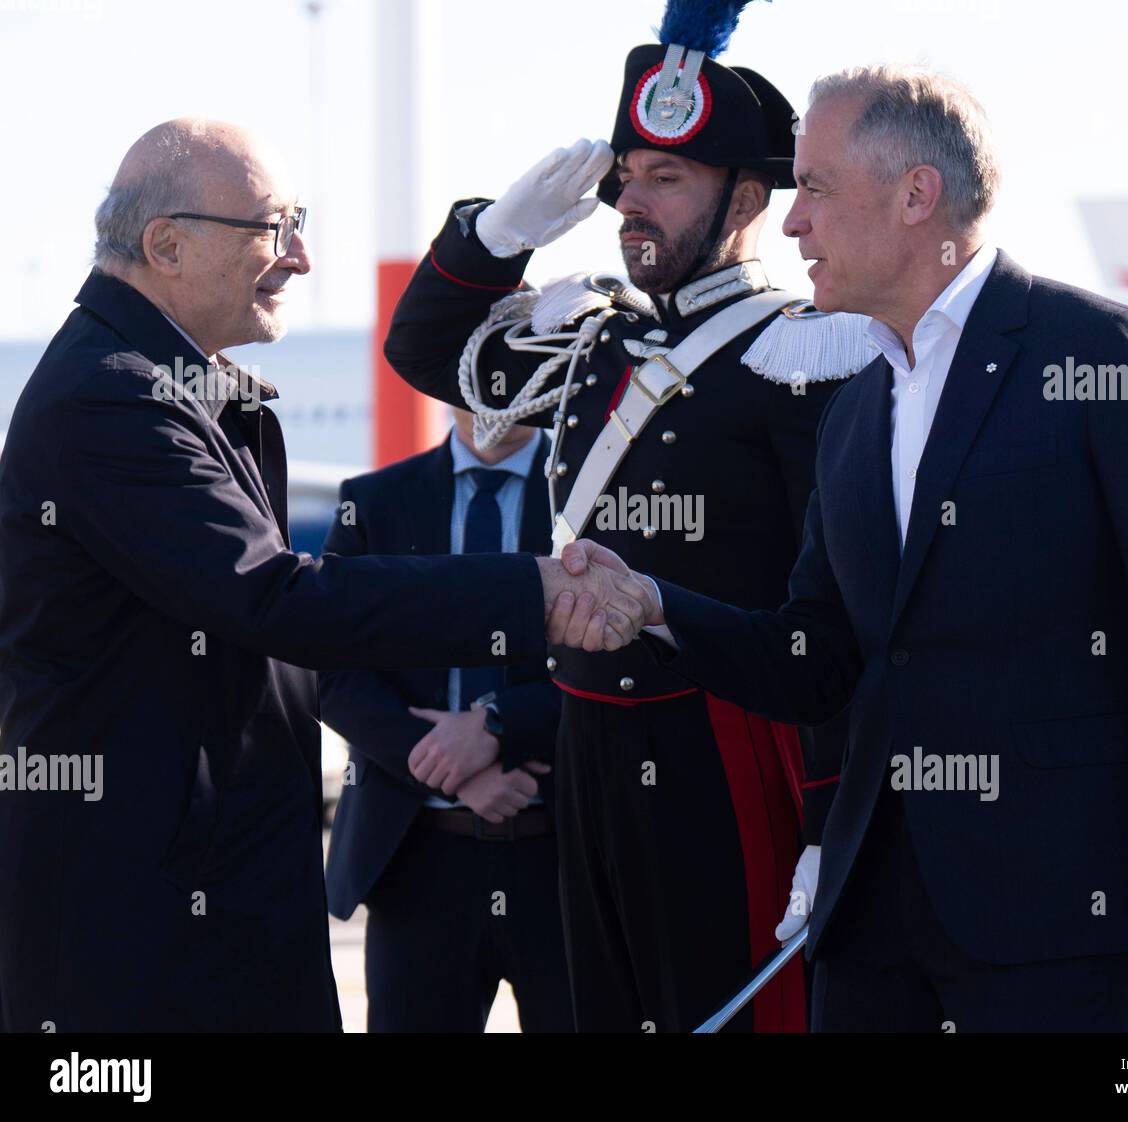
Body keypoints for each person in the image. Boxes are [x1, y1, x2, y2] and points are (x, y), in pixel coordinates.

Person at [560, 63, 1128, 1032]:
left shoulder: (1098, 355)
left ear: (916, 196)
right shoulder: (856, 403)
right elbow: (816, 654)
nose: (789, 223)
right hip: (870, 921)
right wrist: (655, 606)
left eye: (813, 187)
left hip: (1050, 916)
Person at [0, 119, 647, 1033]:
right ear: (166, 244)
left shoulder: (176, 383)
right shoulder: (110, 397)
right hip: (145, 929)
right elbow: (275, 599)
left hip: (208, 893)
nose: (299, 257)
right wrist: (531, 592)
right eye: (272, 227)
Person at [383, 11, 875, 1032]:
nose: (630, 206)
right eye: (628, 177)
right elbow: (426, 353)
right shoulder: (597, 340)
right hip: (589, 743)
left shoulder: (804, 357)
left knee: (737, 1013)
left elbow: (838, 618)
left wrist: (829, 817)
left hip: (730, 746)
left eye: (667, 180)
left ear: (744, 199)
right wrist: (493, 238)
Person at [321, 409, 572, 1032]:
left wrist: (498, 726)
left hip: (568, 857)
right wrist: (447, 767)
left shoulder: (591, 495)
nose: (495, 395)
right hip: (418, 863)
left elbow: (635, 656)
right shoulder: (375, 501)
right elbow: (326, 665)